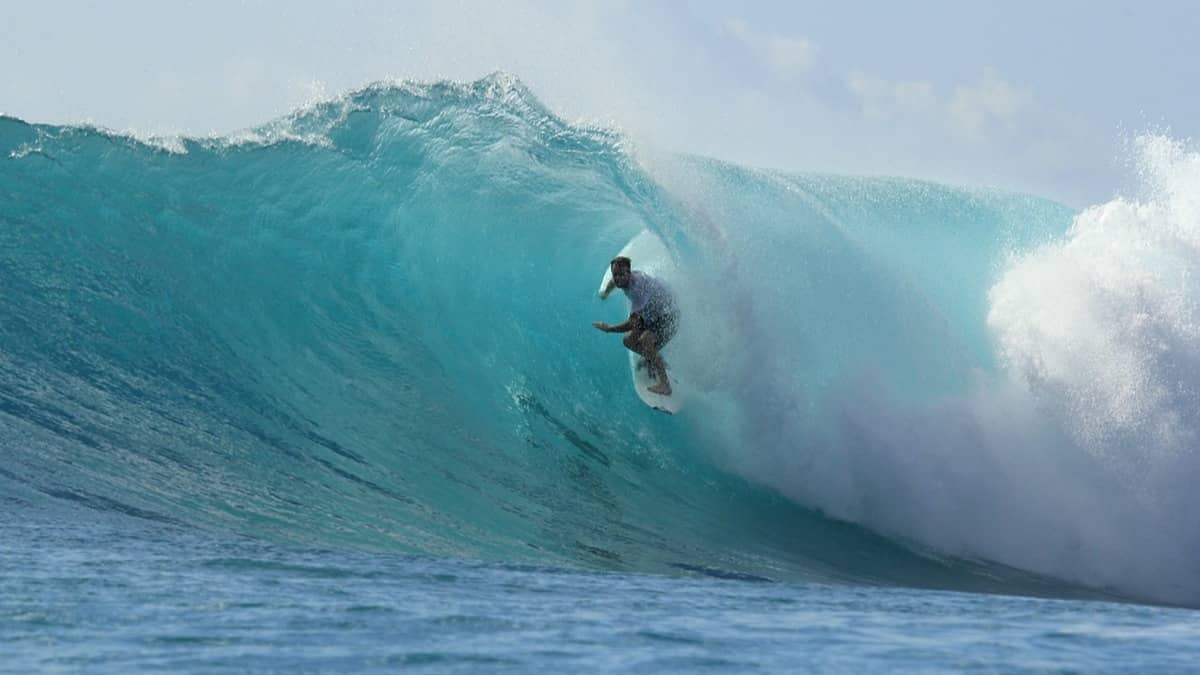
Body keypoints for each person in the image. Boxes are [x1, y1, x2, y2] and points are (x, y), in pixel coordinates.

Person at [593, 256, 679, 395]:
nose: (618, 278)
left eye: (621, 275)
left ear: (629, 272)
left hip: (669, 315)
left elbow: (633, 323)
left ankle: (665, 385)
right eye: (615, 275)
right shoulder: (624, 279)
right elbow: (613, 282)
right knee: (628, 340)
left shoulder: (636, 290)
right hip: (654, 314)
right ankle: (654, 358)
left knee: (645, 340)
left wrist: (608, 328)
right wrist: (605, 293)